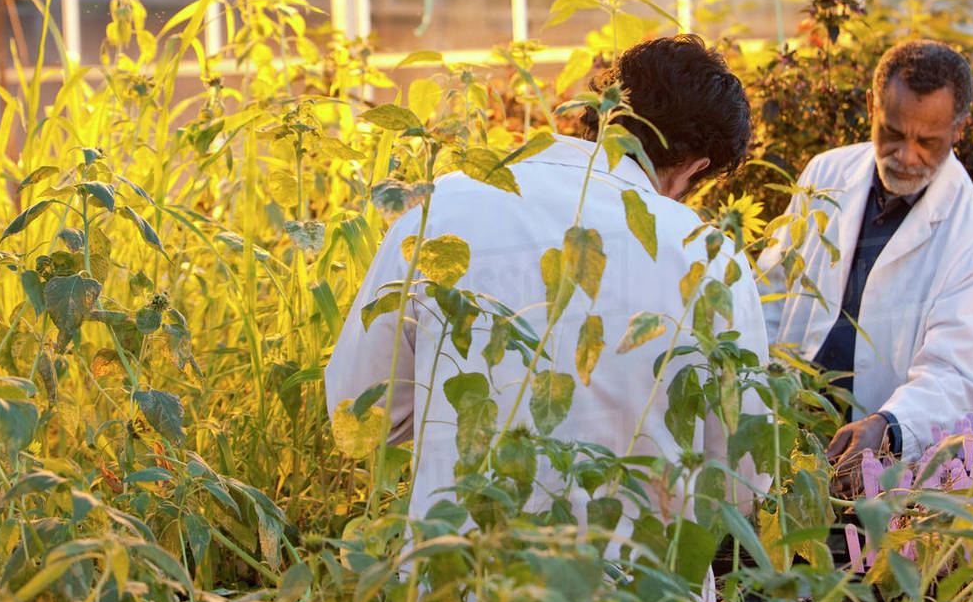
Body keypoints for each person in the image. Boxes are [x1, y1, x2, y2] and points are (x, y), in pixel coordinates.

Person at [326, 34, 769, 531]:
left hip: (456, 572)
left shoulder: (442, 205)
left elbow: (358, 415)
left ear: (599, 113)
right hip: (640, 583)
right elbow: (739, 480)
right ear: (696, 166)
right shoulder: (708, 258)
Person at [757, 39, 973, 488]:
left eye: (927, 142)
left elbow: (954, 375)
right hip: (780, 440)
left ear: (959, 130)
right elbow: (771, 297)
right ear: (872, 105)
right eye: (892, 132)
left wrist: (888, 425)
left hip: (875, 469)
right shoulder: (824, 174)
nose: (907, 156)